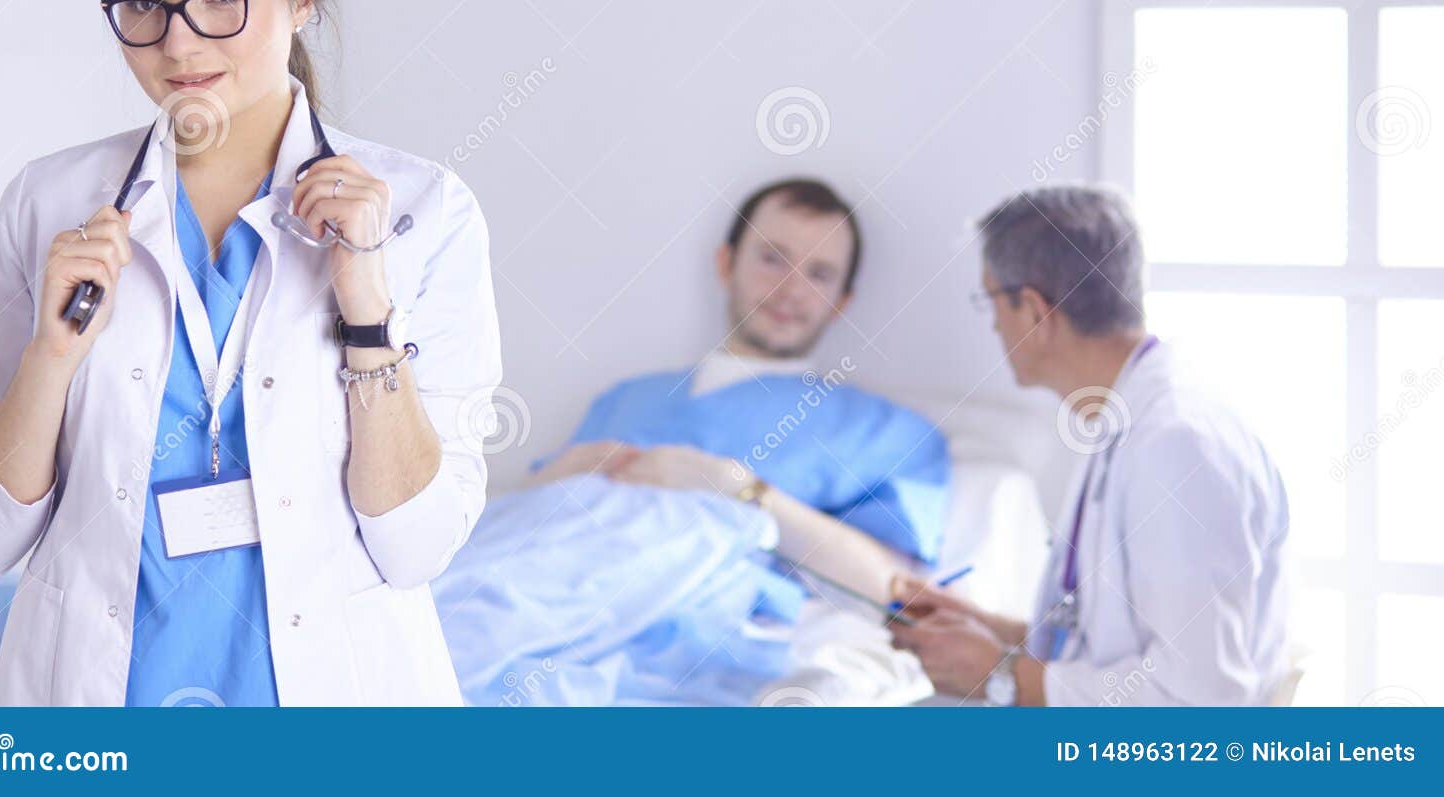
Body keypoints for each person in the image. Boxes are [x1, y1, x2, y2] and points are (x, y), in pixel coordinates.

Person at [0, 0, 501, 706]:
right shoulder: (49, 204)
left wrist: (366, 309)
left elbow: (414, 545)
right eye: (143, 5)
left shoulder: (426, 212)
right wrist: (51, 357)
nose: (179, 43)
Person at [890, 185, 1289, 706]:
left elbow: (1200, 704)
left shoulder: (1176, 445)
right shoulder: (1124, 412)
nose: (992, 323)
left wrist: (1001, 678)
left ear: (1033, 312)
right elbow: (1113, 641)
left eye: (991, 300)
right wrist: (991, 631)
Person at [530, 178, 951, 604]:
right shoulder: (625, 400)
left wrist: (739, 490)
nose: (791, 289)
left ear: (842, 301)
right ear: (726, 264)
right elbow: (515, 528)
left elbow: (902, 593)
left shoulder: (886, 434)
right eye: (772, 259)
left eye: (819, 274)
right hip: (541, 591)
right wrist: (557, 477)